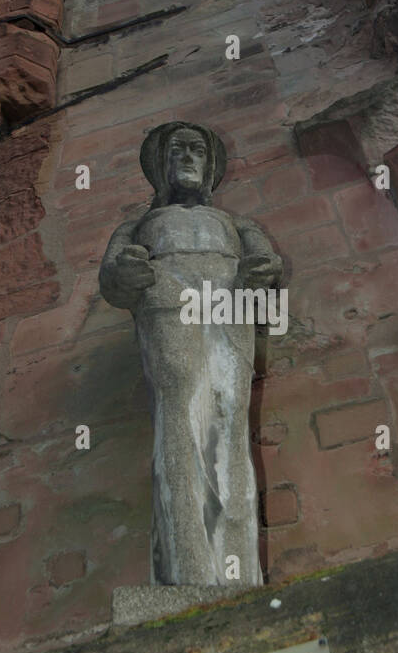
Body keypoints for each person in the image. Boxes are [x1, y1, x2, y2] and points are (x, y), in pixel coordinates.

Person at [100, 121, 283, 587]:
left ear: (209, 165)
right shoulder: (138, 225)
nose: (186, 157)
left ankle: (238, 571)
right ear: (160, 166)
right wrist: (129, 273)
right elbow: (113, 279)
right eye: (176, 150)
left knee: (229, 422)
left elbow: (267, 267)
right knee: (179, 413)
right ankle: (189, 568)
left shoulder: (237, 224)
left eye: (196, 150)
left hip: (229, 305)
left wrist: (260, 274)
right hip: (167, 304)